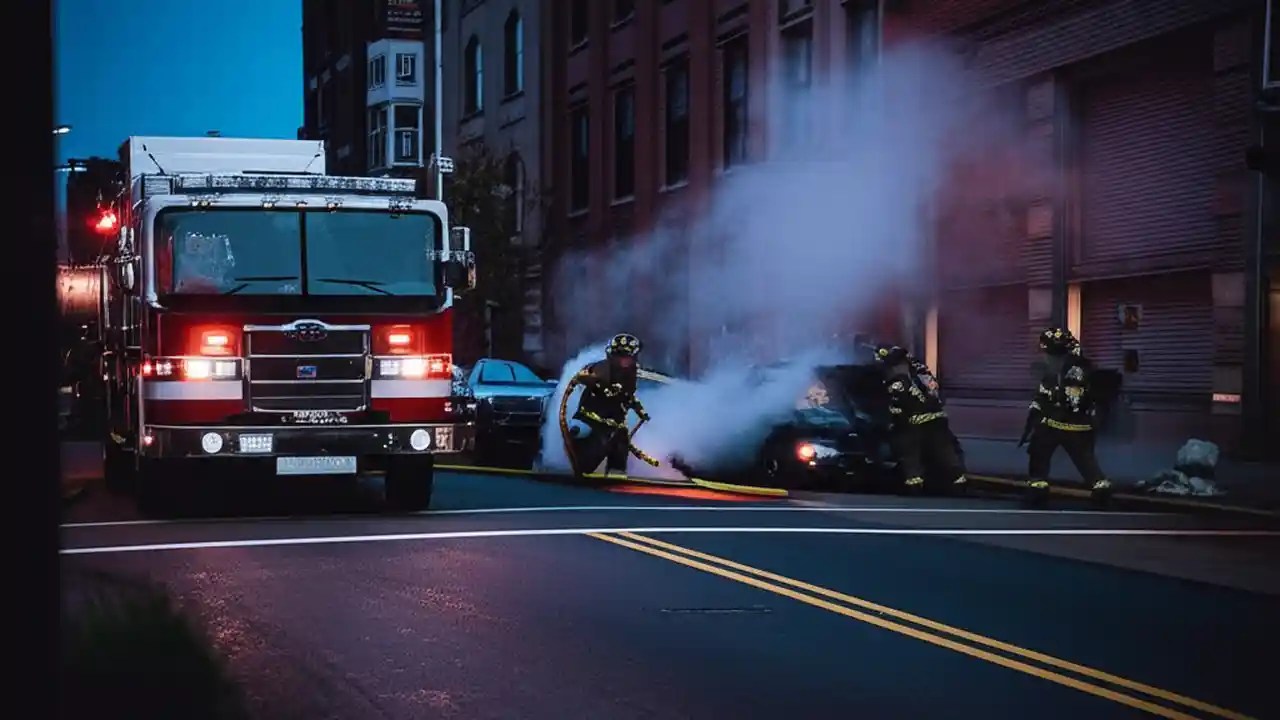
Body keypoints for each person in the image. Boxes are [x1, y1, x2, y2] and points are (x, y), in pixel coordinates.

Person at [1019, 327, 1112, 503]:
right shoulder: (1075, 366)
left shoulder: (1071, 369)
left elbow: (1066, 398)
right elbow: (1043, 394)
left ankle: (1038, 487)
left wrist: (1040, 411)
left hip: (1062, 423)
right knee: (1085, 461)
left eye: (1046, 350)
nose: (1044, 355)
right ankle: (1100, 487)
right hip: (1078, 425)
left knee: (1041, 450)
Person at [558, 333, 656, 479]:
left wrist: (639, 410)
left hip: (613, 424)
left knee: (620, 442)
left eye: (627, 357)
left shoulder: (632, 374)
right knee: (579, 433)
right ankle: (574, 465)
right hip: (590, 419)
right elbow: (584, 377)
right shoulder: (600, 368)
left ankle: (616, 477)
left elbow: (627, 396)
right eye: (619, 356)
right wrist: (602, 386)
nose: (623, 361)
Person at [874, 344, 968, 494]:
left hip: (913, 422)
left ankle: (914, 485)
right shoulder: (922, 372)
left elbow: (899, 403)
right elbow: (937, 393)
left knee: (909, 452)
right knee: (945, 451)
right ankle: (959, 481)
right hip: (937, 418)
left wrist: (894, 419)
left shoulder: (897, 379)